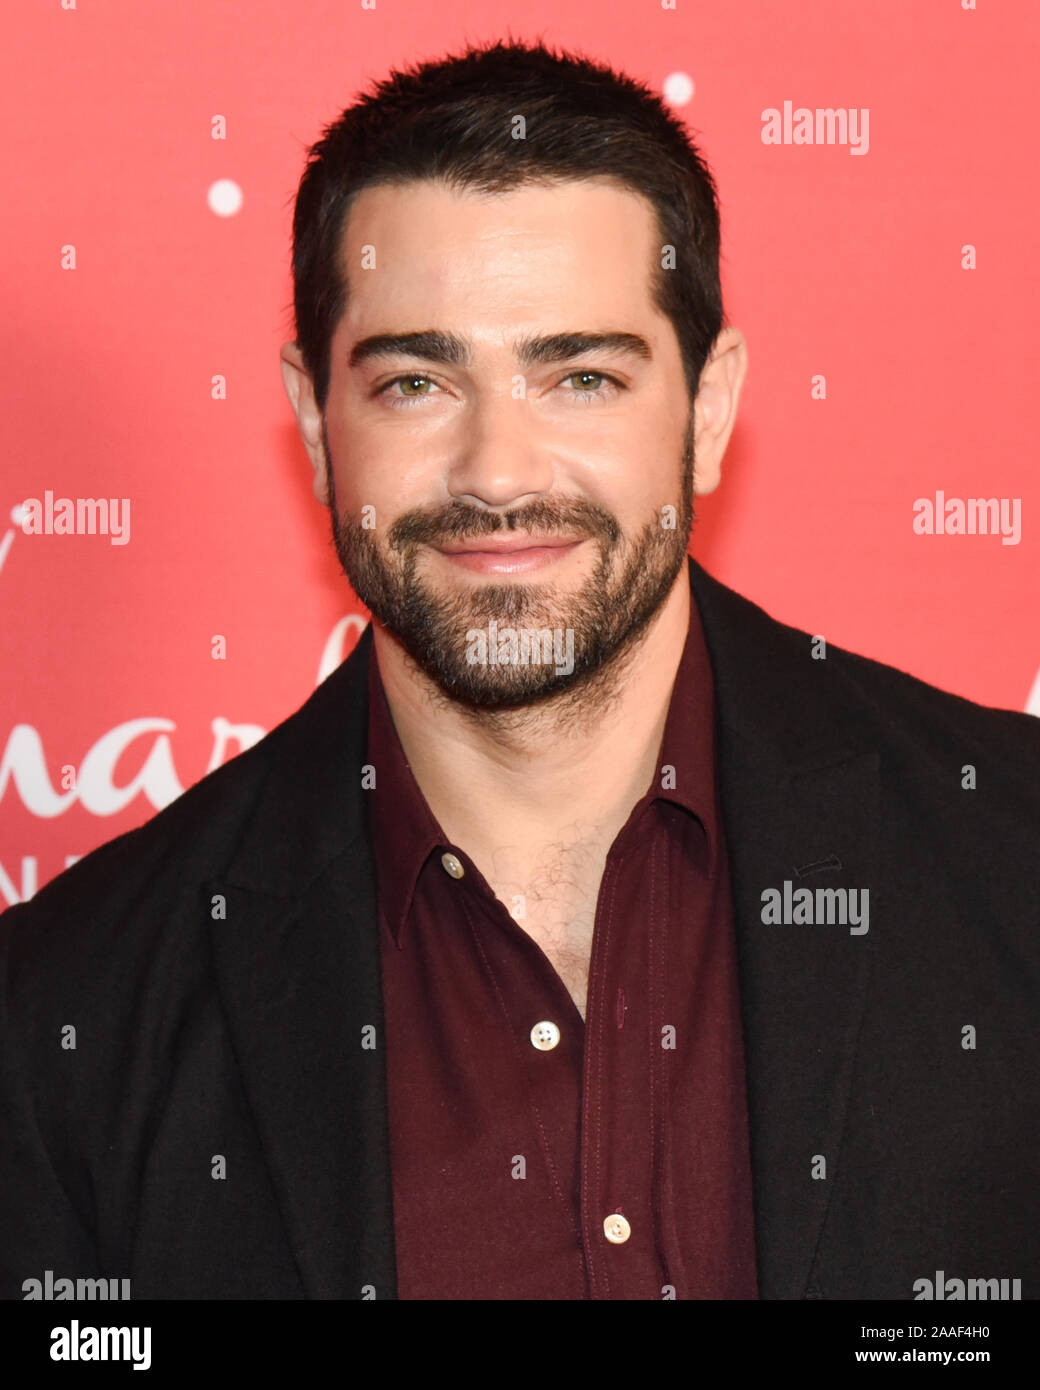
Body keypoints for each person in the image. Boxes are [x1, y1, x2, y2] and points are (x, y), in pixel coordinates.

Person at [2, 37, 1038, 1302]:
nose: (497, 471)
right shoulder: (69, 1014)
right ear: (317, 426)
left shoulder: (1011, 854)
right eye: (417, 382)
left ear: (707, 413)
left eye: (582, 375)